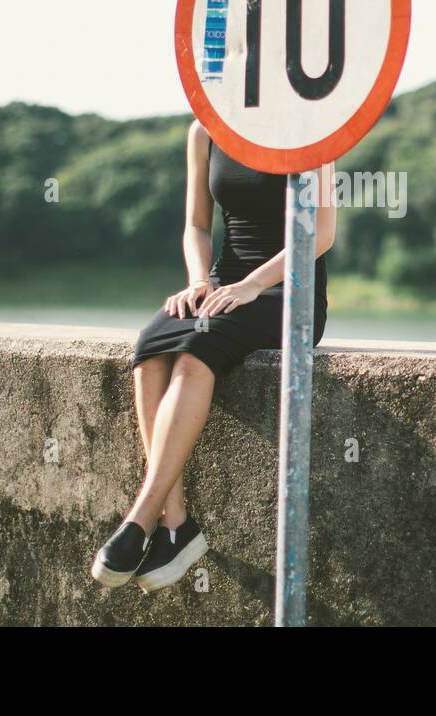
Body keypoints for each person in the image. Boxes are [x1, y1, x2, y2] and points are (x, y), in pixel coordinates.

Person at [90, 118, 335, 592]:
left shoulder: (310, 129)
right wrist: (201, 281)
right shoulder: (204, 132)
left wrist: (251, 285)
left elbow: (321, 233)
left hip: (287, 291)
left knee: (196, 350)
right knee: (151, 346)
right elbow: (197, 227)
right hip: (223, 286)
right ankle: (176, 523)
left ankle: (142, 516)